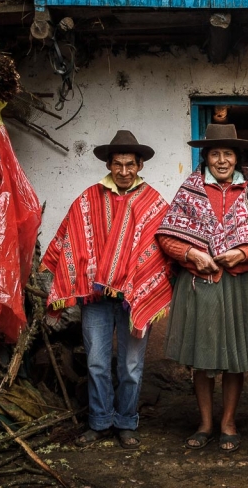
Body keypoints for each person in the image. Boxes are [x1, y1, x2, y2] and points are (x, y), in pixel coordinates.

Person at [41, 130, 173, 449]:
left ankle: (126, 421)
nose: (124, 171)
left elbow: (163, 246)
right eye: (118, 164)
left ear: (140, 165)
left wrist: (138, 278)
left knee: (130, 365)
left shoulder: (153, 201)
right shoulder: (89, 198)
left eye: (130, 164)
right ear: (109, 164)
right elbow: (70, 238)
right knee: (97, 362)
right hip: (96, 298)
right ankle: (100, 421)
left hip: (134, 298)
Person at [157, 124, 248, 453]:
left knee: (234, 357)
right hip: (200, 283)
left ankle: (228, 422)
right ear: (205, 157)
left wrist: (242, 252)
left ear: (237, 157)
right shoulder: (189, 190)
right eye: (215, 153)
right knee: (202, 357)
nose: (222, 160)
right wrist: (192, 254)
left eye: (228, 153)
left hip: (239, 283)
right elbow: (166, 235)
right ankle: (205, 423)